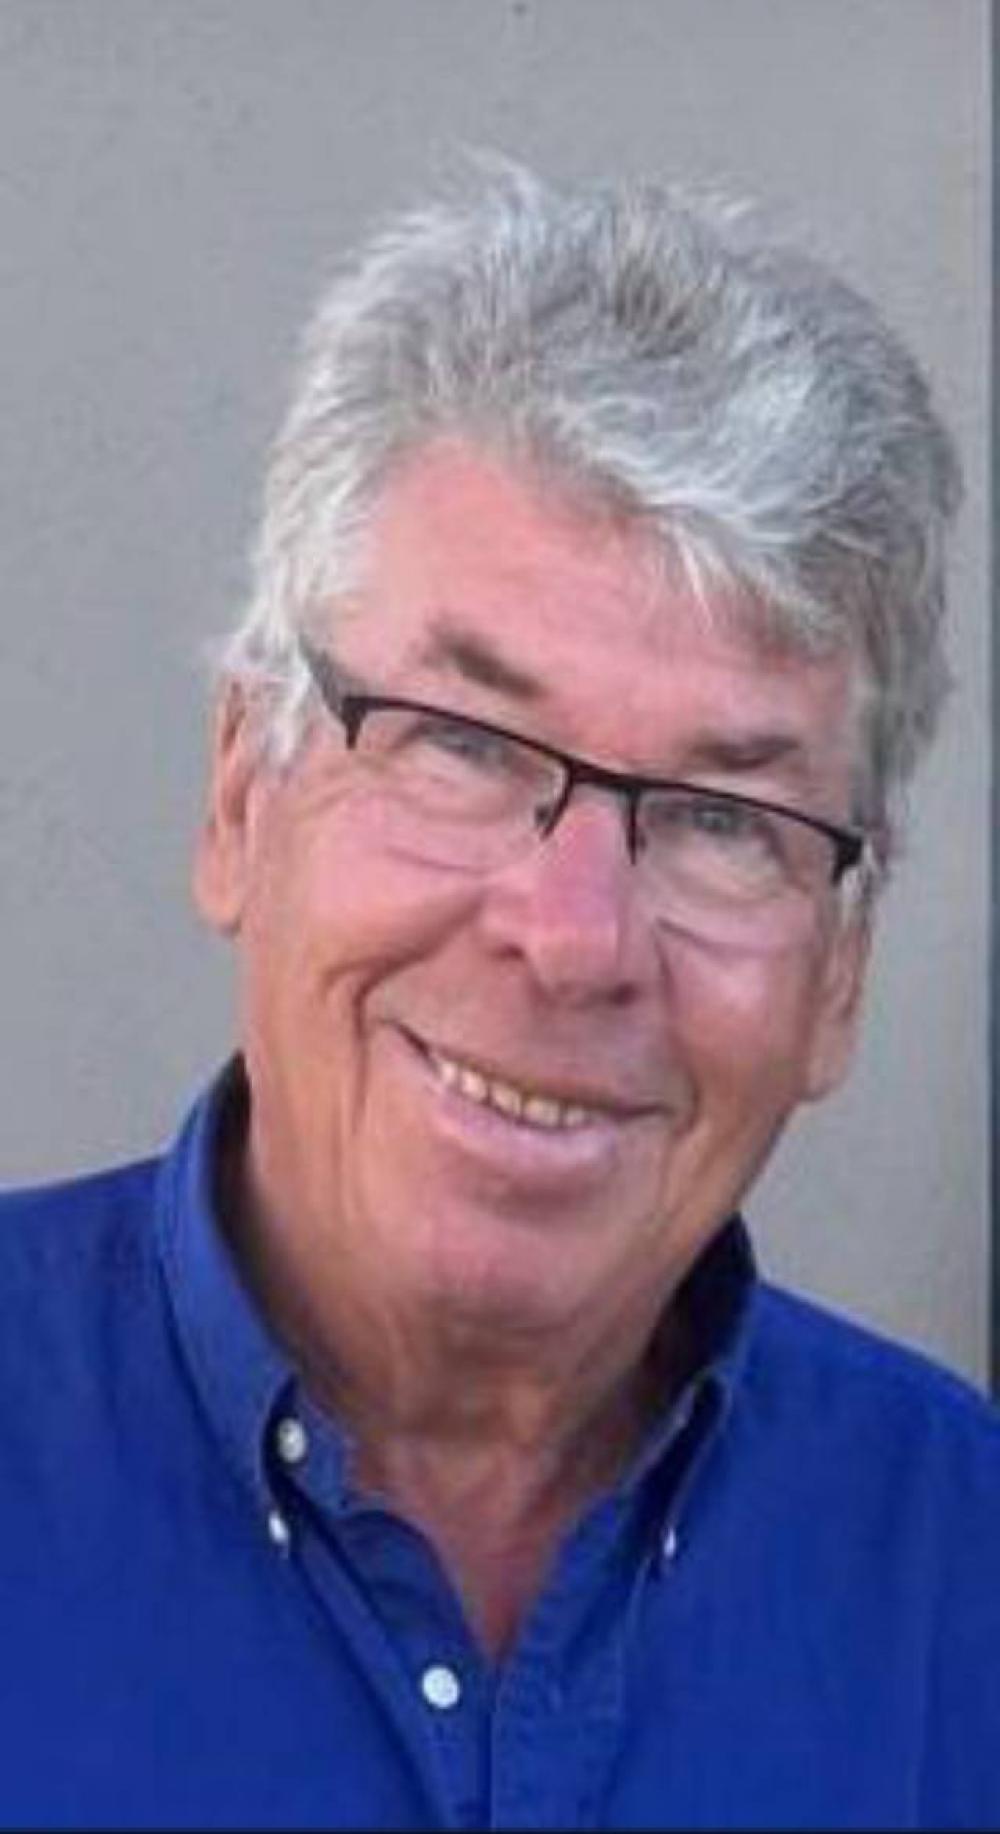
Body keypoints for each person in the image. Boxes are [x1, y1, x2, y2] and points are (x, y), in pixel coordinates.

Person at [2, 162, 997, 1832]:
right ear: (243, 792)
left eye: (723, 819)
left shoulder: (959, 1573)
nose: (574, 935)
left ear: (841, 970)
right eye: (463, 743)